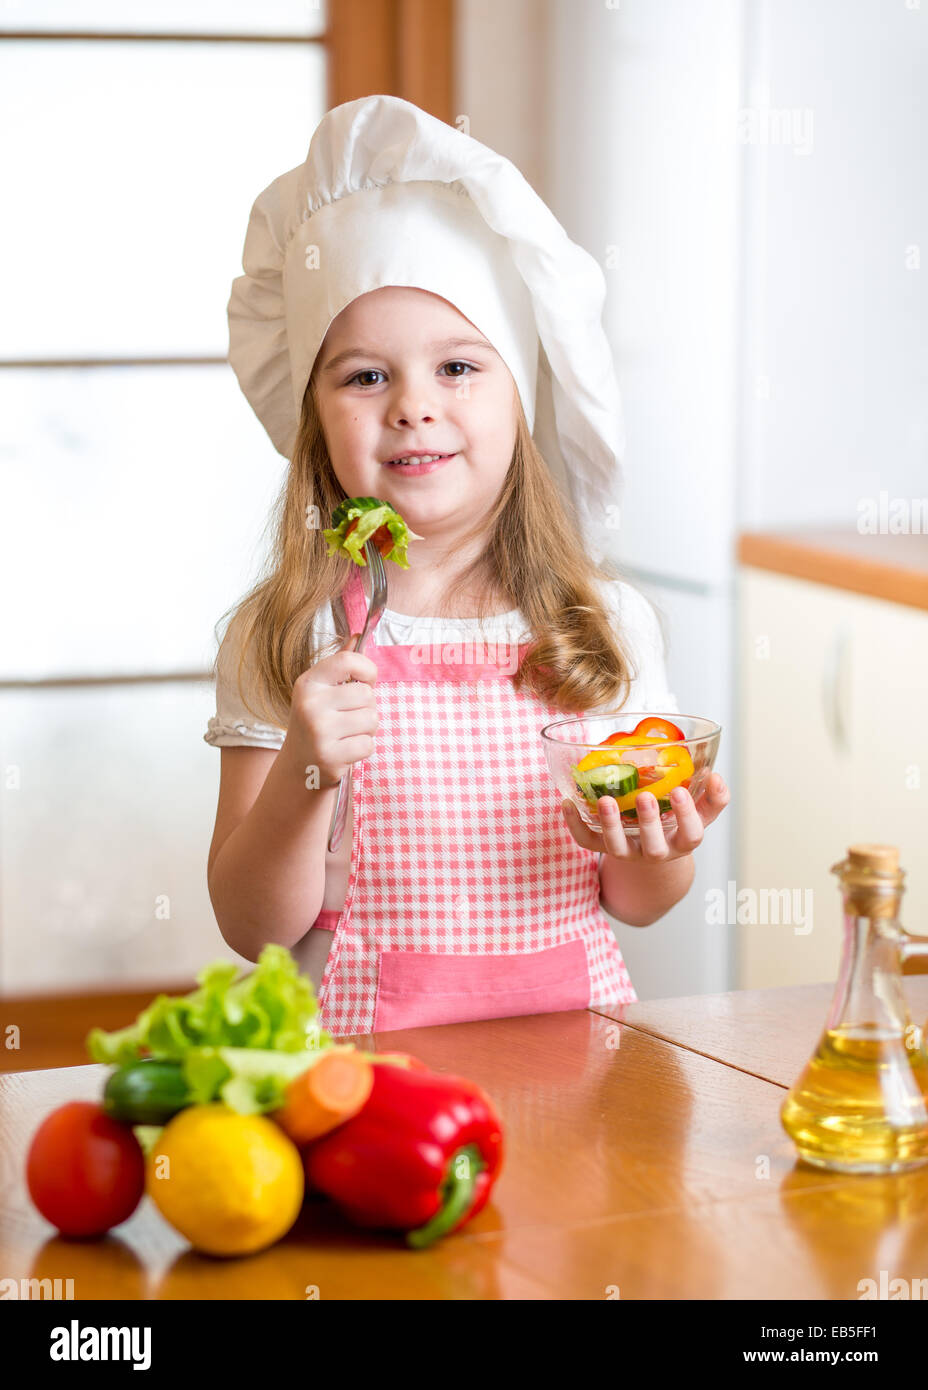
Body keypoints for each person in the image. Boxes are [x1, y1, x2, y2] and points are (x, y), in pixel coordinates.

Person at [204, 95, 730, 1036]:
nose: (413, 406)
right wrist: (304, 770)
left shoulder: (601, 622)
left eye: (458, 368)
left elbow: (642, 900)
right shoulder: (290, 632)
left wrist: (659, 843)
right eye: (365, 376)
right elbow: (253, 928)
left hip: (579, 1067)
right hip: (353, 1081)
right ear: (317, 421)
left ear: (520, 403)